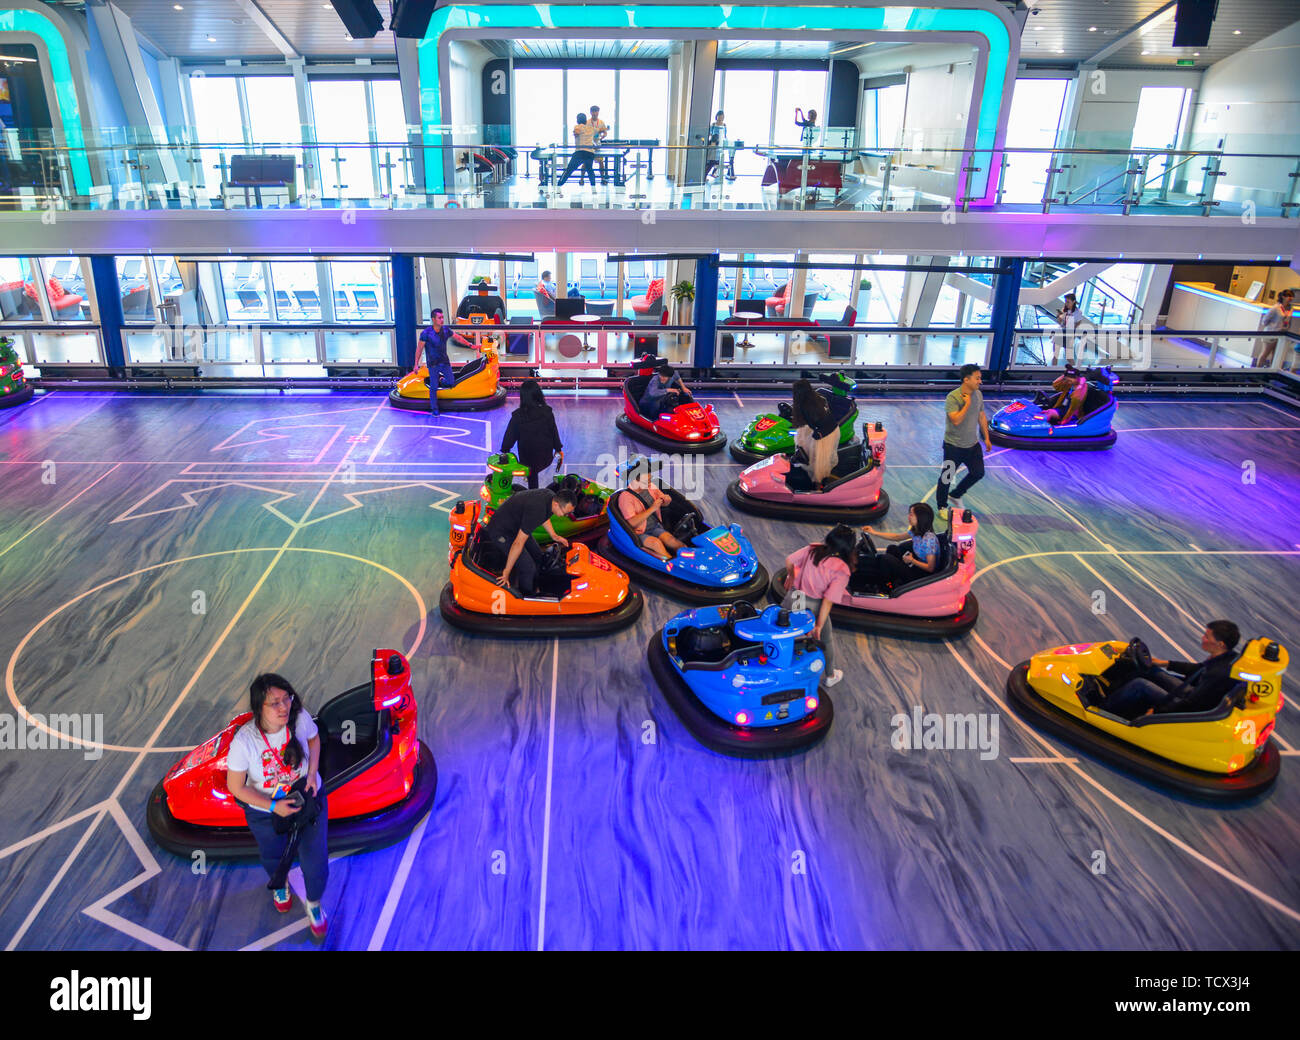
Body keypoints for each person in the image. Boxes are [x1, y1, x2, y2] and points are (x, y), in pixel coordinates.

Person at [225, 673, 329, 939]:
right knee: (273, 855)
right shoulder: (245, 742)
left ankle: (314, 904)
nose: (284, 708)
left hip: (307, 799)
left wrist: (313, 773)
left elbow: (314, 740)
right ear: (259, 708)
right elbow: (236, 787)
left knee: (315, 859)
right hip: (266, 812)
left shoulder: (300, 718)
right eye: (275, 703)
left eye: (287, 699)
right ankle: (280, 884)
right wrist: (273, 806)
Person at [1104, 621, 1242, 720]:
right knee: (1151, 670)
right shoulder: (1228, 657)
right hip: (1195, 695)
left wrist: (1157, 711)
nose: (1202, 638)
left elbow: (1190, 705)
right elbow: (1198, 669)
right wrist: (1164, 663)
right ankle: (1114, 691)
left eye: (1207, 637)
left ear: (1220, 644)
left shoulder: (1216, 674)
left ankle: (1104, 710)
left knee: (1140, 685)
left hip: (1192, 709)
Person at [780, 524, 857, 689]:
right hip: (814, 605)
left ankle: (777, 663)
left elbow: (789, 560)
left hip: (796, 596)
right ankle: (830, 675)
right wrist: (819, 625)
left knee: (783, 630)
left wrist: (792, 576)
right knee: (826, 640)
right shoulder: (842, 570)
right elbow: (828, 600)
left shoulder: (813, 550)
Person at [484, 486, 577, 595]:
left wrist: (554, 536)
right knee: (528, 568)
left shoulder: (550, 498)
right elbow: (518, 543)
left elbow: (544, 516)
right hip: (501, 531)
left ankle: (535, 585)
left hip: (516, 526)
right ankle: (525, 597)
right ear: (556, 504)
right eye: (565, 513)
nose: (565, 516)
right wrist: (506, 571)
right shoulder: (537, 510)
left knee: (538, 555)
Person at [935, 363, 990, 521]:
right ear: (966, 379)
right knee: (947, 477)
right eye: (977, 378)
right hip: (953, 447)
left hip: (972, 445)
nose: (980, 381)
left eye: (980, 378)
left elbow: (981, 415)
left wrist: (986, 437)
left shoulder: (978, 394)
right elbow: (956, 420)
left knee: (978, 473)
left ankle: (956, 494)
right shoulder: (953, 397)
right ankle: (942, 506)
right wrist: (966, 404)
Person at [857, 504, 941, 591]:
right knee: (892, 548)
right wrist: (874, 532)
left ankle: (885, 587)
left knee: (885, 559)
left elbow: (930, 568)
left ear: (920, 517)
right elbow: (896, 537)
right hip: (917, 566)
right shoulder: (916, 531)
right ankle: (891, 580)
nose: (908, 516)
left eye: (911, 514)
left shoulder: (929, 540)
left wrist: (912, 560)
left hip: (923, 577)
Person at [500, 379, 564, 489]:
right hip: (545, 458)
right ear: (538, 394)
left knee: (531, 471)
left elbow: (508, 439)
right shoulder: (547, 412)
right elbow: (554, 432)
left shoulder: (517, 416)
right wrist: (558, 449)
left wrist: (505, 452)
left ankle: (532, 493)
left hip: (527, 460)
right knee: (534, 468)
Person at [415, 308, 476, 417]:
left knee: (451, 382)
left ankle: (442, 379)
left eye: (442, 317)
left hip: (444, 362)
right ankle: (434, 409)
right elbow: (419, 349)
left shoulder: (446, 330)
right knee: (433, 387)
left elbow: (458, 338)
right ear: (433, 319)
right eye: (439, 318)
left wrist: (471, 345)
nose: (442, 320)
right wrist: (416, 364)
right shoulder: (426, 333)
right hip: (433, 365)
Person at [617, 462, 684, 560]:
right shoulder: (625, 497)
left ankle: (692, 559)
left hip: (655, 526)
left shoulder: (651, 486)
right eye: (646, 481)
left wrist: (666, 500)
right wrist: (652, 508)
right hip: (638, 532)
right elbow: (631, 523)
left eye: (649, 479)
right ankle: (673, 567)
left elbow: (663, 503)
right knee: (656, 543)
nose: (649, 483)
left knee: (671, 540)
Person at [791, 378, 838, 485]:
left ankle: (819, 485)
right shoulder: (816, 397)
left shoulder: (807, 407)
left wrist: (818, 435)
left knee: (819, 461)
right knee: (812, 451)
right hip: (831, 429)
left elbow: (818, 423)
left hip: (827, 433)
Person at [1253, 288, 1294, 368]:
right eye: (1288, 296)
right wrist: (1272, 326)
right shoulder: (1276, 307)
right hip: (1271, 333)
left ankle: (1271, 371)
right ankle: (1257, 370)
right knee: (1265, 353)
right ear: (1283, 297)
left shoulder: (1290, 309)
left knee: (1275, 355)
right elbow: (1264, 320)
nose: (1290, 298)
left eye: (1292, 296)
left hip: (1281, 334)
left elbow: (1289, 321)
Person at [556, 112, 598, 188]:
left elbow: (577, 131)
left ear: (577, 120)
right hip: (590, 153)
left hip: (580, 152)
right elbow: (600, 130)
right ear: (585, 120)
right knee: (590, 170)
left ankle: (559, 184)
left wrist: (575, 133)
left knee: (569, 170)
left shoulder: (577, 126)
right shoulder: (591, 128)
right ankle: (593, 187)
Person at [1054, 292, 1082, 365]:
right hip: (1060, 332)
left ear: (1073, 302)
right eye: (1066, 301)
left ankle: (1074, 371)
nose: (1066, 303)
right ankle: (1053, 371)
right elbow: (1060, 323)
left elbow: (1077, 324)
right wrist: (1059, 317)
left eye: (1068, 302)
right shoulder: (1064, 310)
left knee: (1069, 356)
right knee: (1055, 355)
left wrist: (1072, 334)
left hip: (1069, 335)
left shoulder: (1078, 312)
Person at [588, 105, 610, 185]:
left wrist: (603, 136)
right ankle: (581, 179)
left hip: (597, 145)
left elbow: (605, 132)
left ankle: (602, 178)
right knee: (586, 162)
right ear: (591, 112)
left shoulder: (601, 122)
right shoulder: (587, 122)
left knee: (601, 162)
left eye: (596, 112)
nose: (595, 113)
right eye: (593, 112)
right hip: (589, 145)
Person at [704, 111, 726, 179]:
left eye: (722, 116)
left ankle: (713, 173)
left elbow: (725, 135)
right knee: (711, 161)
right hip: (713, 144)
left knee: (718, 161)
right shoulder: (713, 124)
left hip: (720, 145)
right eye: (719, 116)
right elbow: (710, 134)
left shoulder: (724, 125)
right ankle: (705, 175)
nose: (720, 118)